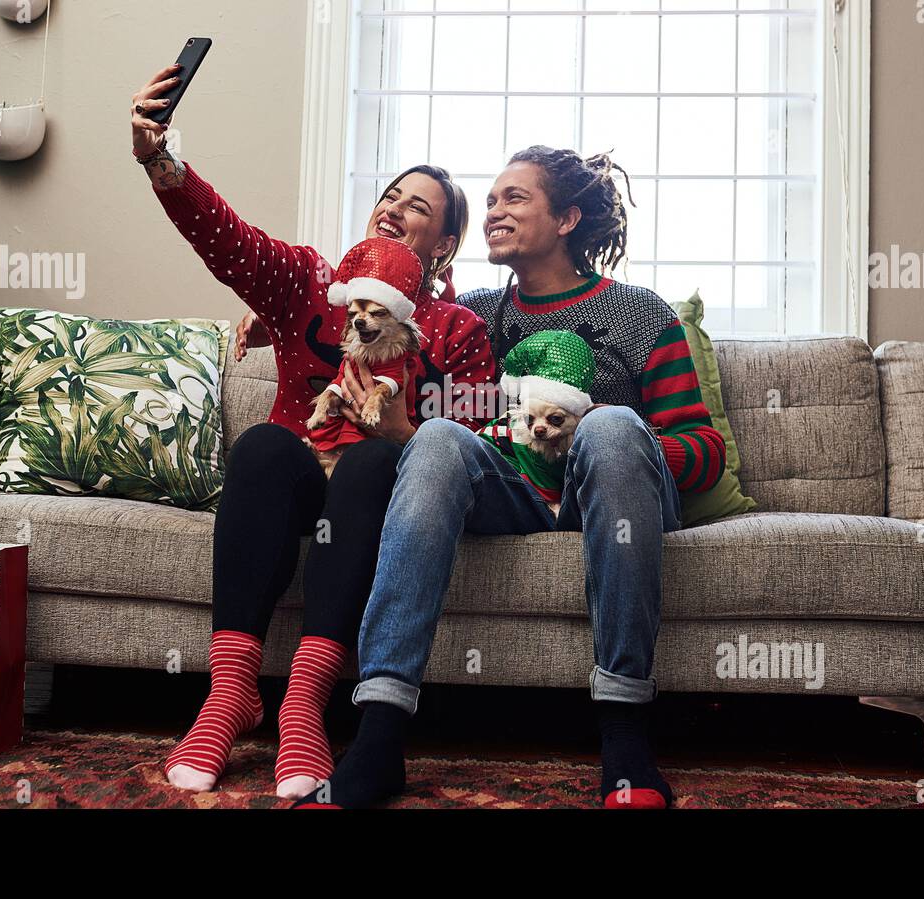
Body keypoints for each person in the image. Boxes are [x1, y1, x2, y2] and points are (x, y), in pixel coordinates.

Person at [299, 146, 727, 810]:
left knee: (611, 430)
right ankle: (379, 736)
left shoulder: (641, 314)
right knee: (439, 435)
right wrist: (273, 327)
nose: (495, 210)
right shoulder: (469, 317)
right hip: (516, 496)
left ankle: (625, 738)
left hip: (609, 495)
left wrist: (617, 434)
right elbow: (370, 319)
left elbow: (705, 448)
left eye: (515, 198)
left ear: (567, 219)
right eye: (491, 199)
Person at [130, 64, 495, 797]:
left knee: (365, 464)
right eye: (390, 193)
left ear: (445, 243)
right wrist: (159, 159)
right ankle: (230, 692)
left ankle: (305, 701)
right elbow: (225, 238)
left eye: (417, 206)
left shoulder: (458, 328)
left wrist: (401, 429)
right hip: (296, 477)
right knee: (265, 444)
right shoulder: (307, 282)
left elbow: (479, 445)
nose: (395, 205)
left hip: (374, 491)